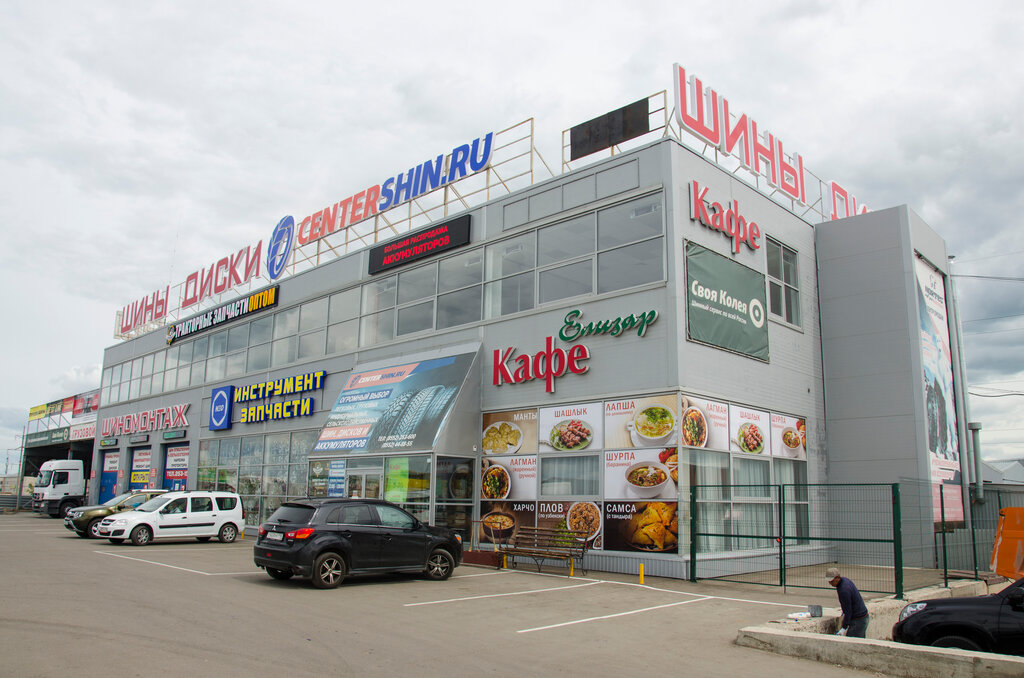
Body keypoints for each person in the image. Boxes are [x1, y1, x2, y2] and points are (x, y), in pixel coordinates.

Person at [827, 567, 869, 637]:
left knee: (852, 642)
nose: (830, 583)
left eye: (832, 581)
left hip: (858, 620)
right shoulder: (844, 581)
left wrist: (844, 627)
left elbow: (848, 611)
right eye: (829, 581)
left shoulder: (844, 590)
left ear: (838, 578)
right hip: (862, 617)